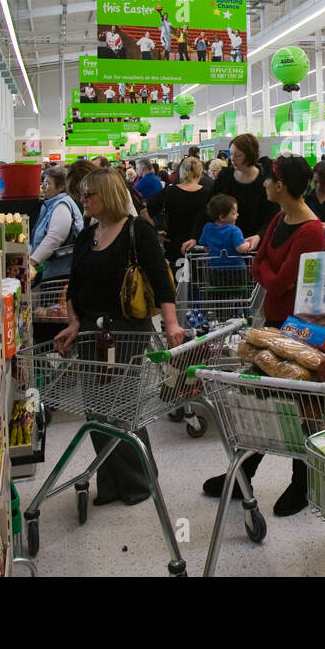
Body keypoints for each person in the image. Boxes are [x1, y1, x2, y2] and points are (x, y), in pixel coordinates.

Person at [55, 169, 186, 507]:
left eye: (90, 194)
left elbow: (161, 281)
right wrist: (73, 322)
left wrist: (171, 324)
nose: (83, 200)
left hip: (126, 330)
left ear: (109, 195)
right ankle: (111, 483)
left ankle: (139, 481)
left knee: (120, 406)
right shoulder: (87, 235)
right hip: (90, 331)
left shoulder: (136, 231)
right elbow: (75, 285)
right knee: (94, 409)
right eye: (82, 194)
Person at [203, 155, 325, 515]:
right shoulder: (279, 218)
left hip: (300, 330)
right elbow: (258, 265)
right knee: (260, 402)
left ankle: (302, 483)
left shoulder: (311, 230)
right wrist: (269, 273)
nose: (264, 184)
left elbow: (280, 280)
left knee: (300, 408)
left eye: (269, 180)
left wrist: (268, 273)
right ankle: (243, 474)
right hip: (273, 323)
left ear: (281, 185)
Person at [202, 133, 278, 251]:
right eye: (231, 154)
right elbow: (209, 208)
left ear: (250, 155)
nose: (232, 158)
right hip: (226, 245)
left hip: (256, 244)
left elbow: (272, 215)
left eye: (238, 155)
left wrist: (260, 235)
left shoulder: (265, 180)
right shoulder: (225, 177)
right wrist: (195, 237)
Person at [149, 157, 214, 265]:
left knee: (176, 273)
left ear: (181, 171)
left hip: (173, 242)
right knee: (198, 273)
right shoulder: (208, 193)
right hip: (200, 244)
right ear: (200, 172)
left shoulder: (169, 192)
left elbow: (147, 210)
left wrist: (156, 233)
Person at [30, 166, 85, 282]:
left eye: (48, 183)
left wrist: (32, 261)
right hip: (53, 269)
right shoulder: (53, 204)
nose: (43, 187)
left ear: (61, 187)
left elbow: (54, 238)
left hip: (60, 273)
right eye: (43, 183)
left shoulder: (62, 206)